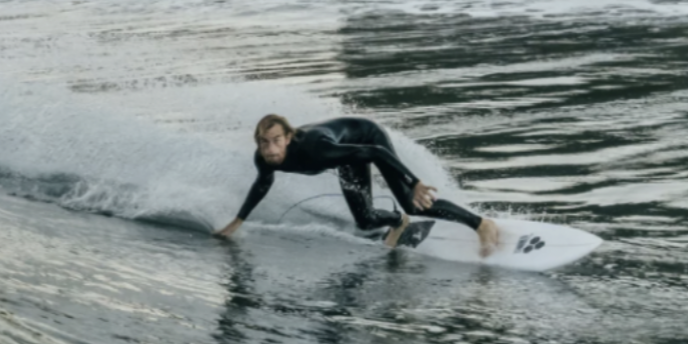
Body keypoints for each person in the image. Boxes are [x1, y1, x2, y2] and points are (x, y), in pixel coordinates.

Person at [213, 115, 502, 254]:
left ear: (288, 138)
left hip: (367, 138)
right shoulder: (264, 158)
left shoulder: (316, 149)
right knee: (364, 221)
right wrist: (238, 220)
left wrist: (413, 182)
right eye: (264, 143)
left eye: (276, 141)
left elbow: (376, 153)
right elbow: (262, 185)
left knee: (411, 201)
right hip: (346, 156)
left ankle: (480, 224)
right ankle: (398, 223)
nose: (270, 149)